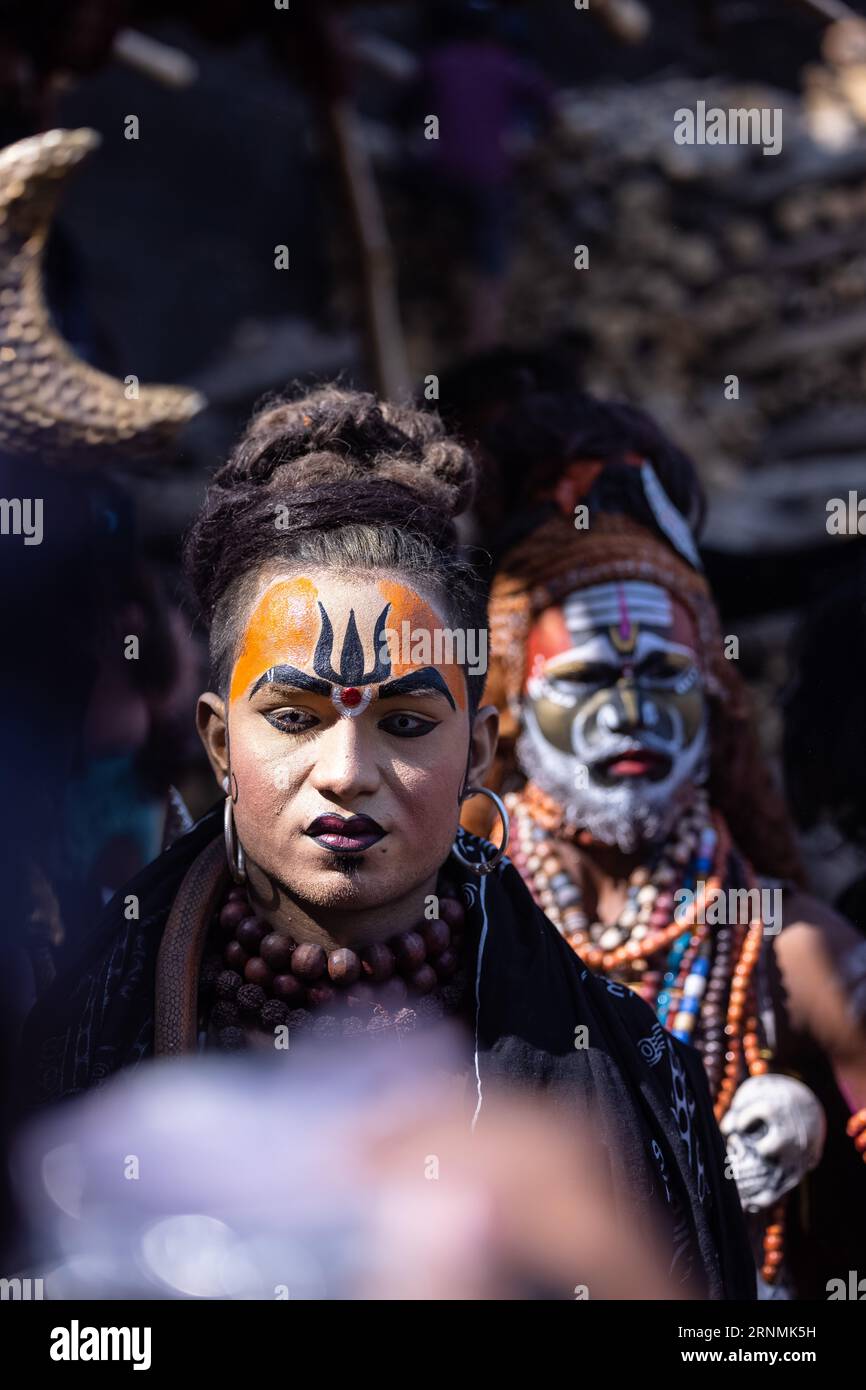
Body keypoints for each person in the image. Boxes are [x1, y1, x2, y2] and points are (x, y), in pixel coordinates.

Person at [18, 385, 754, 1299]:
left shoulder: (631, 1068)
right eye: (294, 717)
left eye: (405, 724)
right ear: (218, 743)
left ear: (478, 748)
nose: (346, 771)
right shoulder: (80, 1043)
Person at [474, 388, 866, 1298]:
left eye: (663, 674)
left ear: (714, 702)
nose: (632, 711)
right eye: (589, 678)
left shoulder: (795, 955)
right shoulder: (454, 934)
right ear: (513, 708)